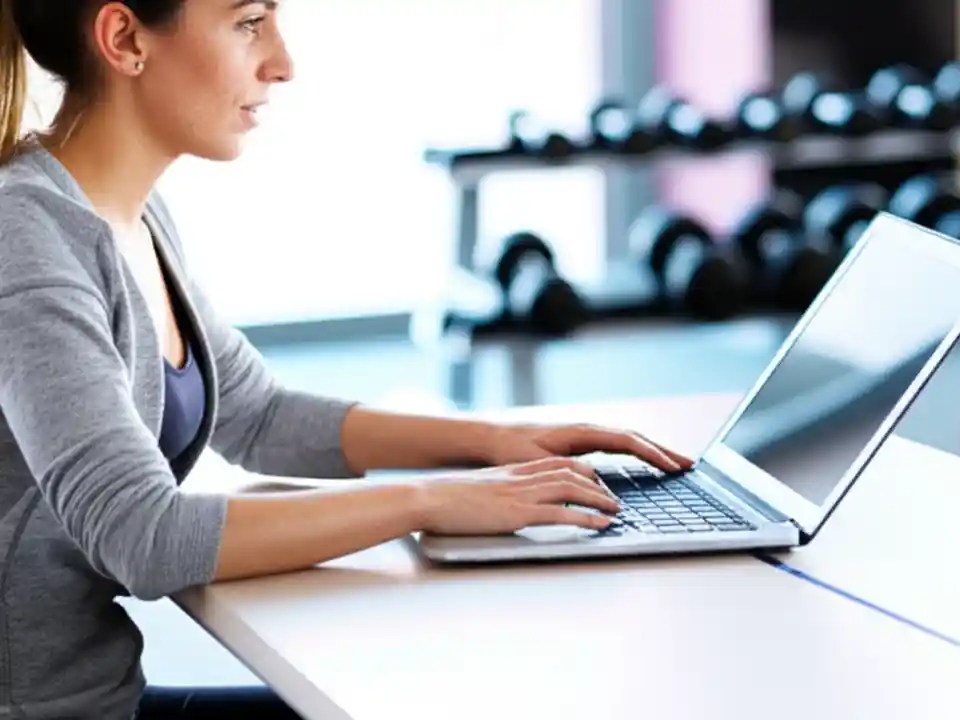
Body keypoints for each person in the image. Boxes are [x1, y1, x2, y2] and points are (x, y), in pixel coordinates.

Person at [0, 1, 694, 718]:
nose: (282, 62)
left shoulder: (129, 217)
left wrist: (492, 444)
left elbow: (259, 415)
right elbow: (143, 536)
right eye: (247, 23)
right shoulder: (26, 240)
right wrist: (430, 503)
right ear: (124, 38)